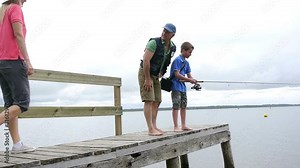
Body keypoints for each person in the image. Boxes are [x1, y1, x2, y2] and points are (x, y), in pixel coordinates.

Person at [0, 0, 35, 153]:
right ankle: (17, 144)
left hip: (1, 63)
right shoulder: (15, 8)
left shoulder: (2, 10)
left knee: (11, 105)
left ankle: (17, 144)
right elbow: (19, 35)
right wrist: (27, 61)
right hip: (14, 61)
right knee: (21, 103)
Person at [138, 23, 176, 136]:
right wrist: (147, 79)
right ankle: (150, 129)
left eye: (167, 32)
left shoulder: (172, 47)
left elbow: (166, 61)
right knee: (149, 100)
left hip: (156, 75)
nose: (164, 33)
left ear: (172, 35)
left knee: (157, 100)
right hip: (146, 74)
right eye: (164, 30)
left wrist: (161, 73)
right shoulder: (154, 42)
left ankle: (154, 126)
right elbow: (146, 60)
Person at [170, 42, 197, 132]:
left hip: (183, 88)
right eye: (189, 52)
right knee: (176, 106)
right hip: (175, 86)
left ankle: (184, 125)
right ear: (183, 50)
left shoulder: (186, 63)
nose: (190, 54)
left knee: (183, 106)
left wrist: (194, 82)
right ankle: (176, 126)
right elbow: (177, 74)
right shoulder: (177, 60)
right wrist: (190, 80)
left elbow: (189, 76)